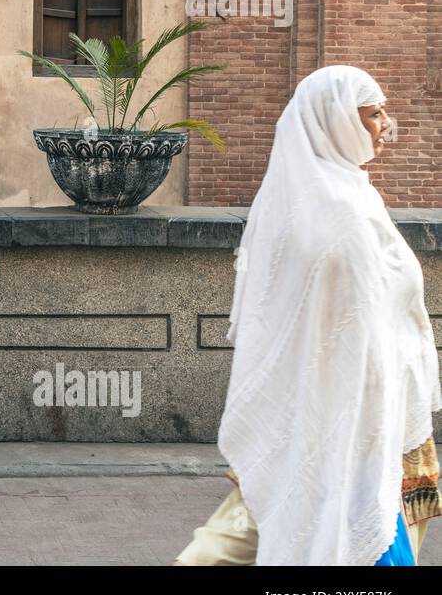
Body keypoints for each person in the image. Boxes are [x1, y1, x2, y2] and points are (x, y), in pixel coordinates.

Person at [176, 65, 442, 565]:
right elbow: (336, 324)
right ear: (336, 121)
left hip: (379, 418)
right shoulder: (331, 211)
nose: (385, 124)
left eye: (384, 112)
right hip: (336, 424)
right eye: (373, 114)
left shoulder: (349, 193)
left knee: (376, 528)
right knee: (264, 533)